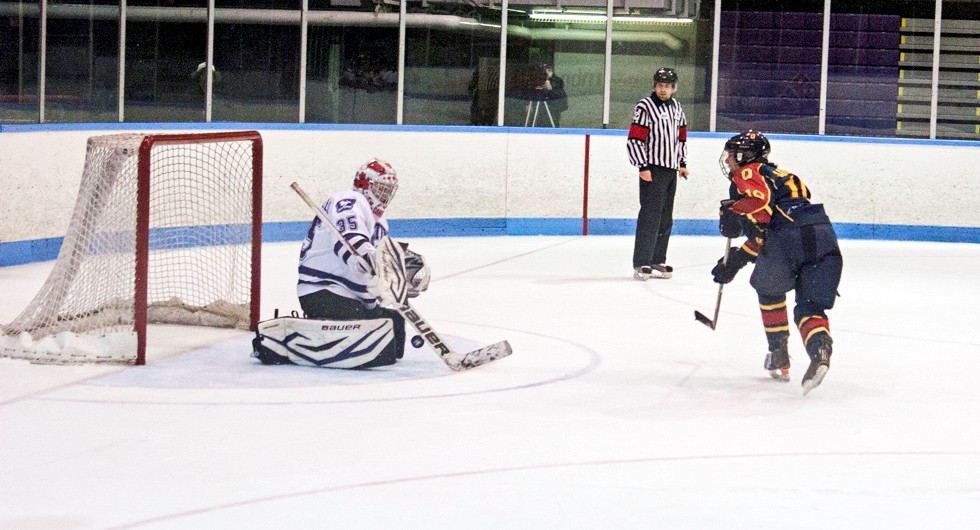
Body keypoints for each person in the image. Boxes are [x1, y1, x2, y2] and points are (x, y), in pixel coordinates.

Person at [711, 130, 843, 395]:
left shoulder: (748, 173)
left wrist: (734, 210)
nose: (728, 162)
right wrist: (737, 259)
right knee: (809, 307)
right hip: (822, 233)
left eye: (732, 156)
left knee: (770, 289)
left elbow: (761, 204)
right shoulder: (785, 176)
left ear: (745, 156)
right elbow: (770, 229)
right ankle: (820, 348)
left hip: (788, 235)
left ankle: (779, 353)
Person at [274, 159, 425, 368]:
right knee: (374, 338)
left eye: (389, 190)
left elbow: (372, 269)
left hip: (353, 297)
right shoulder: (349, 200)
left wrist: (397, 277)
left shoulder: (381, 224)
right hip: (324, 290)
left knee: (394, 328)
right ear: (364, 185)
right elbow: (348, 241)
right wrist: (372, 261)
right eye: (381, 188)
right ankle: (303, 336)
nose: (385, 195)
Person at [627, 66, 689, 280]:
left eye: (668, 86)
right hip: (652, 169)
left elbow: (681, 136)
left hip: (671, 170)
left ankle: (657, 259)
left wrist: (682, 162)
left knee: (665, 217)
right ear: (655, 86)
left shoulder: (677, 108)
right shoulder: (645, 106)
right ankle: (642, 262)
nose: (664, 90)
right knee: (650, 216)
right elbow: (635, 138)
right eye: (660, 85)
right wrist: (642, 166)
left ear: (674, 88)